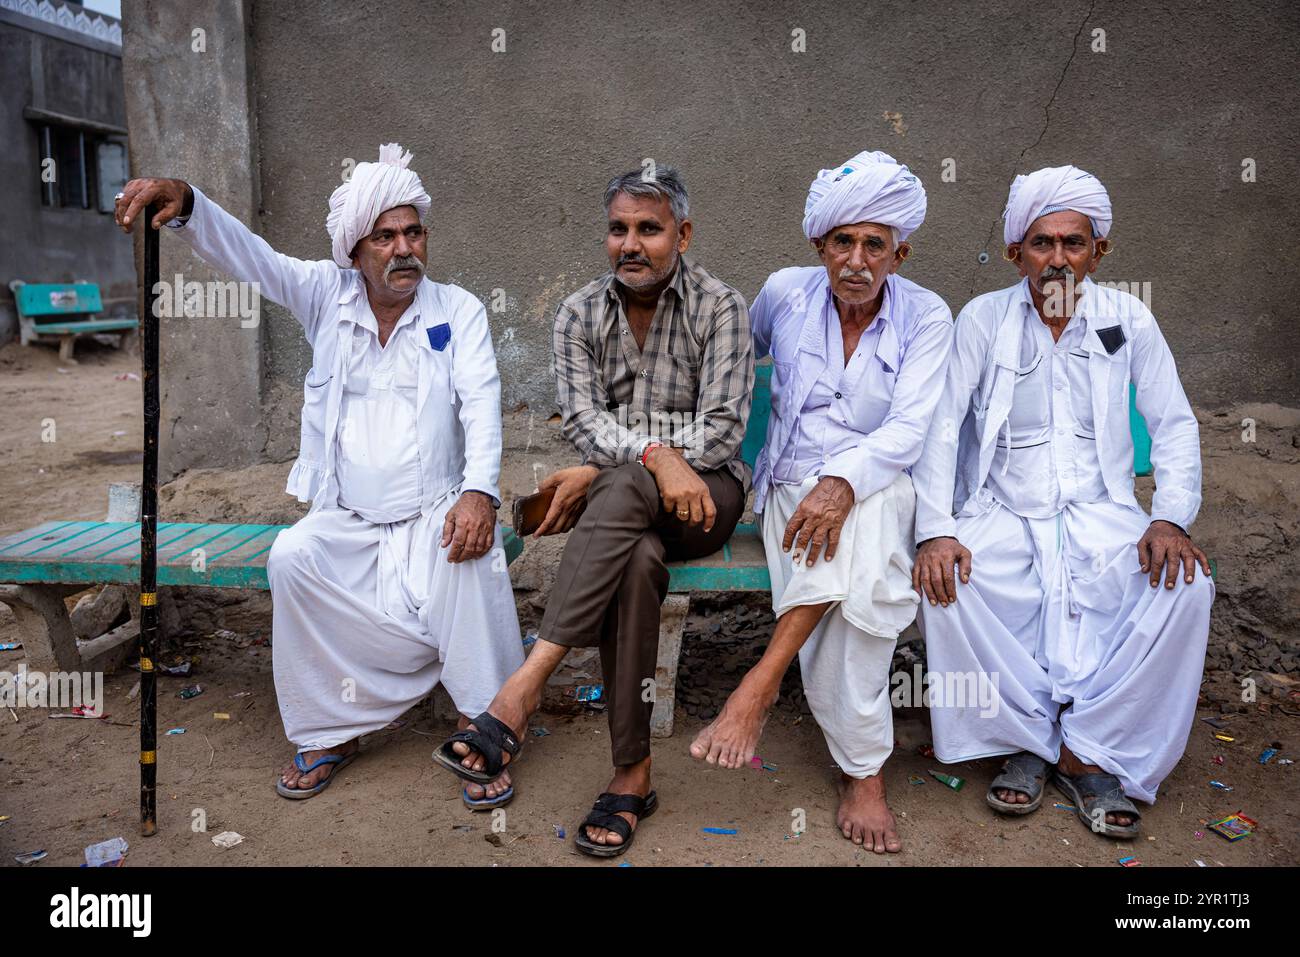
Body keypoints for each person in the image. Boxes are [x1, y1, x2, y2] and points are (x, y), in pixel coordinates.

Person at [115, 143, 524, 808]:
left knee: (468, 557)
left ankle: (483, 722)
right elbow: (253, 258)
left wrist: (479, 491)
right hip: (348, 520)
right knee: (293, 556)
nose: (403, 248)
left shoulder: (459, 311)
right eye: (385, 235)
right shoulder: (323, 297)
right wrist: (189, 204)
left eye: (413, 231)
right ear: (355, 248)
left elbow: (481, 406)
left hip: (432, 511)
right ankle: (334, 728)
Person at [433, 165, 753, 856]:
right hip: (629, 517)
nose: (630, 243)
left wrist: (628, 460)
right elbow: (582, 420)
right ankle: (631, 775)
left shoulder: (721, 306)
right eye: (618, 228)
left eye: (649, 228)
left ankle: (520, 687)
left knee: (621, 481)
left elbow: (723, 431)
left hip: (708, 497)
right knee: (635, 554)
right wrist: (649, 455)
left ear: (683, 233)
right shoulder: (579, 313)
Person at [911, 165, 1214, 839]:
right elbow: (939, 425)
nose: (1056, 259)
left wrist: (1169, 516)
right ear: (1017, 250)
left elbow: (1174, 424)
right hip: (1000, 508)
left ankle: (1085, 749)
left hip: (1100, 511)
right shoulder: (983, 320)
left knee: (1186, 589)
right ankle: (1025, 738)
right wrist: (935, 528)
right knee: (945, 582)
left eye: (1071, 244)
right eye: (1041, 243)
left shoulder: (1126, 318)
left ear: (1097, 251)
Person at [689, 150, 952, 853]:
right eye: (844, 242)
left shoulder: (928, 316)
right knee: (862, 571)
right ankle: (863, 774)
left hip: (880, 484)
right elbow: (733, 365)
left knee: (866, 533)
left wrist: (847, 482)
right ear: (819, 246)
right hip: (792, 488)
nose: (858, 260)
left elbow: (909, 428)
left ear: (901, 252)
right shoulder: (783, 293)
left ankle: (762, 682)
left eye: (875, 244)